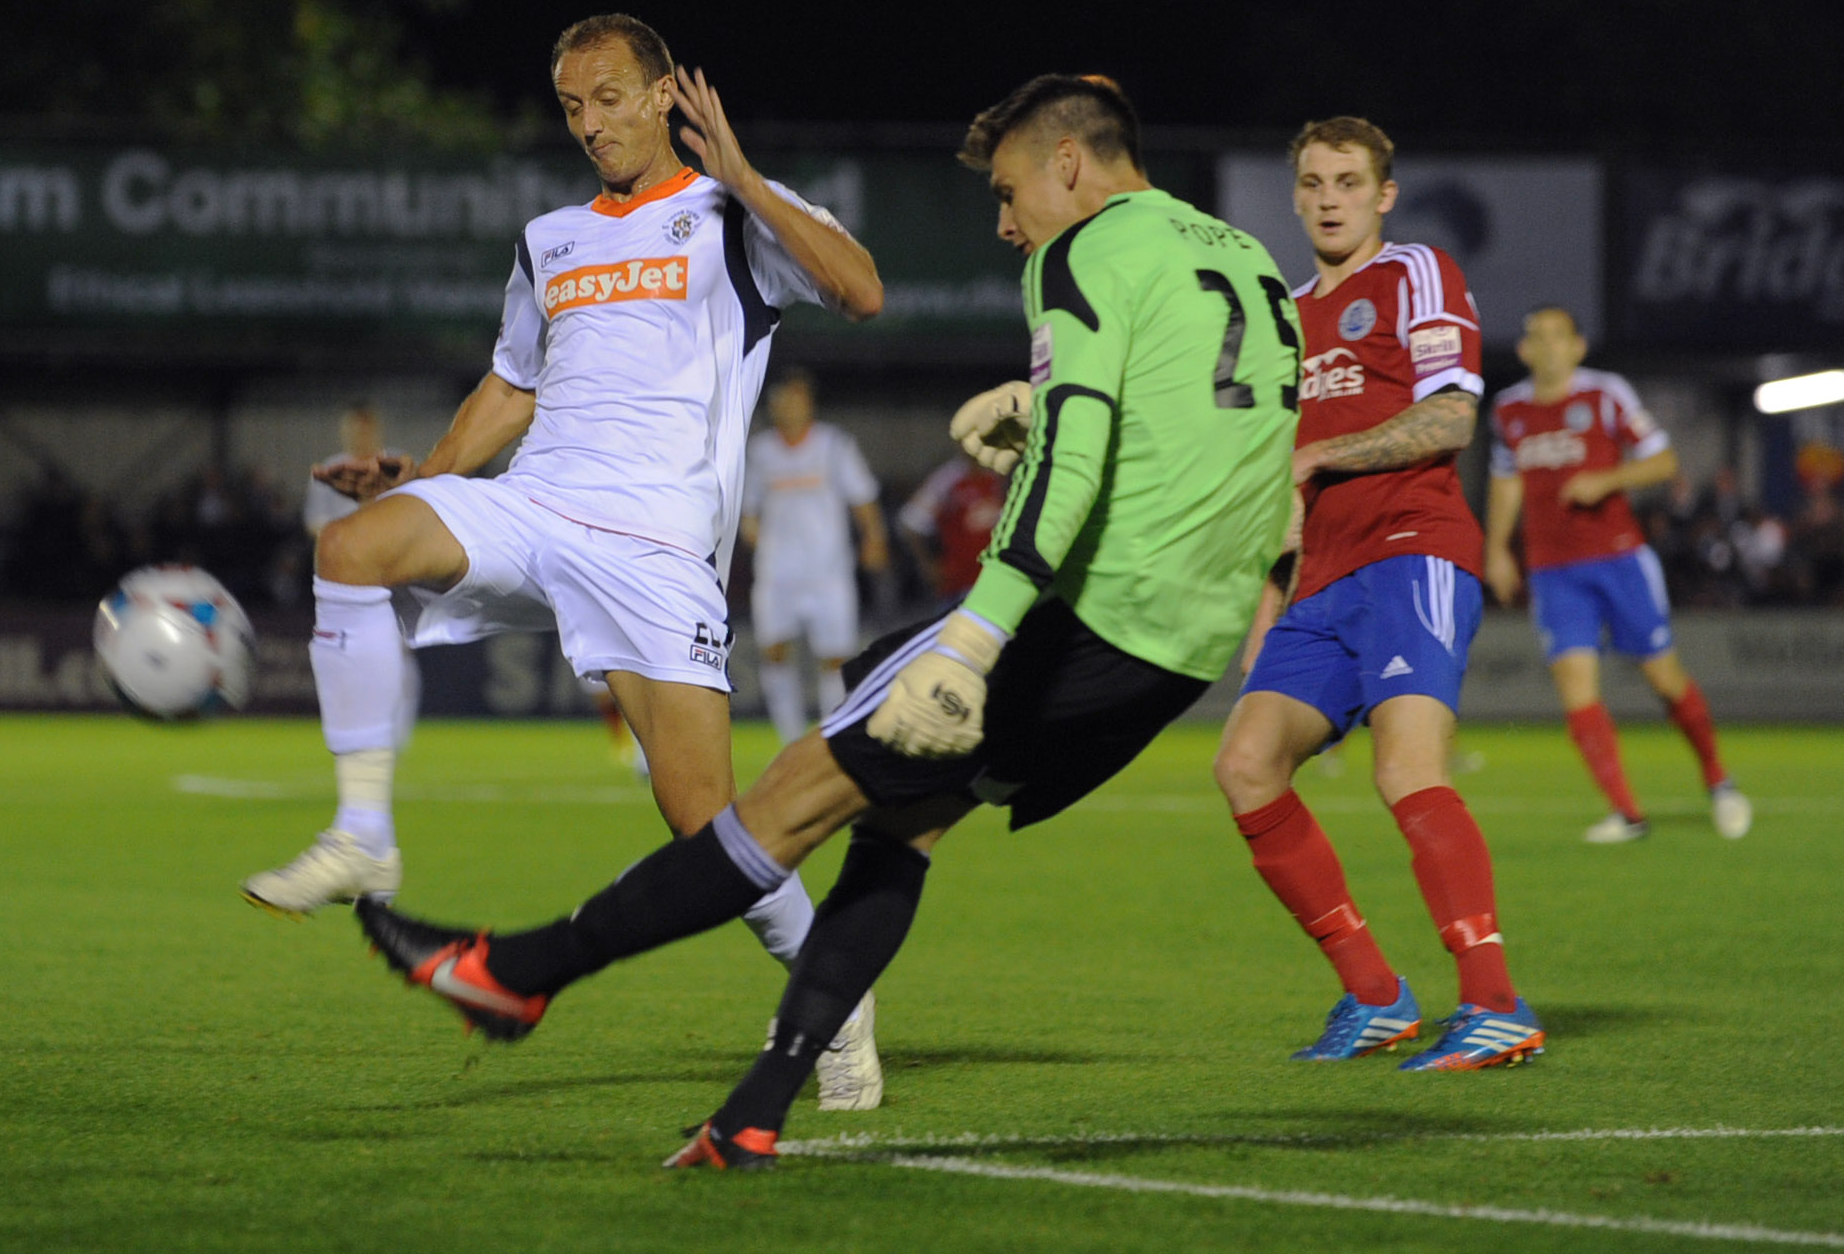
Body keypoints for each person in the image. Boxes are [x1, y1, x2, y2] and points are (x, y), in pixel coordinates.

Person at [353, 72, 1300, 1170]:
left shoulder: (1079, 254)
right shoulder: (1242, 257)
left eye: (1007, 192)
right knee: (904, 820)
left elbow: (1077, 466)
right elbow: (1238, 444)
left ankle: (517, 975)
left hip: (1080, 618)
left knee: (784, 801)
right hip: (1173, 657)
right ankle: (757, 1107)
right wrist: (1045, 418)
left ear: (1070, 165)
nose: (1003, 223)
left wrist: (977, 634)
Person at [240, 13, 888, 1109]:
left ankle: (835, 995)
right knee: (351, 546)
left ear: (662, 95)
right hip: (537, 506)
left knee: (706, 827)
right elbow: (512, 388)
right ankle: (361, 833)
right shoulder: (552, 241)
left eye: (607, 100)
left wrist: (743, 174)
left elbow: (862, 291)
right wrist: (423, 484)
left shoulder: (733, 213)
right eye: (571, 108)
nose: (589, 125)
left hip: (654, 549)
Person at [1213, 116, 1545, 1072]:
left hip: (1413, 553)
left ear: (1383, 194)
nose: (1328, 199)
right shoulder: (1279, 319)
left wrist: (1320, 452)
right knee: (1245, 765)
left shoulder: (1416, 274)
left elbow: (1451, 416)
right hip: (1319, 583)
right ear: (1295, 194)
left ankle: (1494, 1002)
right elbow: (1274, 487)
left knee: (1406, 770)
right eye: (1313, 182)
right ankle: (1374, 993)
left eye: (1348, 183)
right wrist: (1270, 600)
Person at [1485, 307, 1750, 842]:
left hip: (1618, 560)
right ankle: (1628, 814)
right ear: (1524, 350)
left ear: (1578, 347)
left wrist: (1605, 479)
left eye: (1560, 336)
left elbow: (1663, 461)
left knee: (1663, 678)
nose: (1550, 346)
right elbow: (1506, 481)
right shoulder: (1509, 409)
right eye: (1538, 337)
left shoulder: (1606, 394)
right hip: (1553, 572)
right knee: (1576, 690)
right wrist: (1496, 549)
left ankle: (1720, 781)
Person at [740, 369, 889, 743]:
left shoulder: (834, 445)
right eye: (783, 399)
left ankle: (830, 736)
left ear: (808, 403)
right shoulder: (760, 452)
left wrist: (874, 538)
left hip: (828, 572)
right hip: (777, 573)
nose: (790, 406)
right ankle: (789, 739)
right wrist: (754, 536)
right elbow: (749, 510)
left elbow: (862, 497)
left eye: (797, 398)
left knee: (835, 656)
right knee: (775, 651)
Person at [300, 404, 424, 761]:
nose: (359, 436)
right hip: (346, 574)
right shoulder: (331, 470)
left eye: (365, 429)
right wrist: (352, 535)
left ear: (376, 430)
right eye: (354, 429)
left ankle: (391, 739)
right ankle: (359, 736)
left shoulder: (395, 466)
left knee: (397, 650)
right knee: (347, 651)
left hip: (392, 571)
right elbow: (314, 523)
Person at [897, 455, 1008, 604]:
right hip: (960, 585)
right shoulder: (948, 478)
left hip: (1002, 581)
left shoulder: (1007, 475)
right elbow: (911, 522)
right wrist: (927, 564)